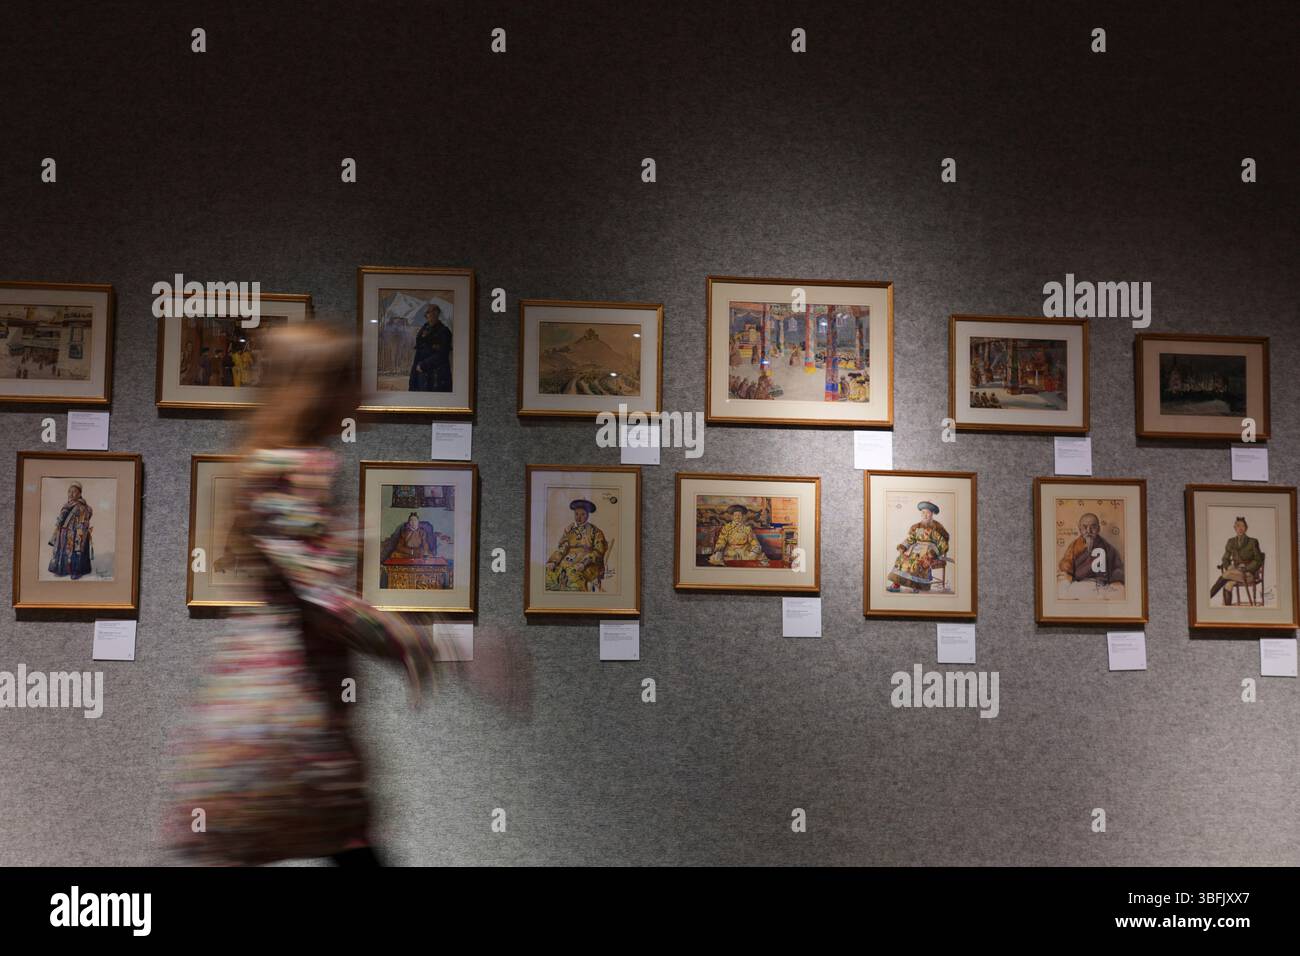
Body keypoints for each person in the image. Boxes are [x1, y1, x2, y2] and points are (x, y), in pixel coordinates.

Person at [166, 324, 441, 867]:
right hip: (285, 713)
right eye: (352, 380)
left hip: (282, 706)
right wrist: (418, 643)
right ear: (321, 388)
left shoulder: (283, 463)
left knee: (342, 842)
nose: (366, 394)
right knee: (348, 843)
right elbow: (322, 599)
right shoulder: (288, 468)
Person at [546, 499, 608, 591]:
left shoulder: (595, 531)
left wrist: (583, 563)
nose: (578, 518)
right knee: (550, 572)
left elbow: (598, 551)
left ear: (588, 515)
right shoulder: (570, 530)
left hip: (589, 564)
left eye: (582, 514)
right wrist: (553, 561)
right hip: (569, 561)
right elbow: (562, 548)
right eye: (576, 514)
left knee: (573, 575)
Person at [886, 501, 949, 591]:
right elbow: (910, 539)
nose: (925, 515)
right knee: (901, 559)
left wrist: (933, 553)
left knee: (917, 563)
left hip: (929, 554)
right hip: (915, 551)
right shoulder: (918, 528)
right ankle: (896, 585)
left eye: (927, 513)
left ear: (932, 514)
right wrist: (903, 546)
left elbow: (943, 545)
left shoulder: (937, 529)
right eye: (923, 513)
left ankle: (916, 586)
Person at [1057, 512, 1124, 587]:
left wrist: (1116, 580)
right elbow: (1065, 565)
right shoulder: (1074, 546)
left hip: (1101, 587)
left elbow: (1117, 568)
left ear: (1098, 529)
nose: (1089, 531)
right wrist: (1069, 576)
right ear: (1080, 529)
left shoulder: (1107, 547)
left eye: (1093, 527)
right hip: (1077, 585)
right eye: (1085, 527)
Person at [1209, 517, 1263, 605]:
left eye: (1242, 526)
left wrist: (1246, 568)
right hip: (1235, 573)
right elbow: (1225, 558)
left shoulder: (1252, 542)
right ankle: (1227, 610)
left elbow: (1258, 560)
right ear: (1234, 528)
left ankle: (1208, 596)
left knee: (1226, 574)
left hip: (1249, 574)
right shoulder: (1231, 542)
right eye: (1238, 526)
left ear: (1246, 528)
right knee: (1228, 585)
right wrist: (1228, 566)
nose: (1240, 528)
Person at [47, 482, 94, 580]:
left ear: (80, 494)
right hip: (64, 532)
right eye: (69, 491)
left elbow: (83, 522)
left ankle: (76, 572)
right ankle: (62, 570)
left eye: (74, 492)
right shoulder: (66, 505)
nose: (71, 494)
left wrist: (78, 533)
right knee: (62, 551)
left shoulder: (82, 507)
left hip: (76, 534)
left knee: (76, 553)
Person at [408, 303, 452, 391]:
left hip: (436, 376)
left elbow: (442, 354)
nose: (425, 315)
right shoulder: (424, 330)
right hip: (420, 375)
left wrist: (424, 365)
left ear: (436, 314)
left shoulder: (444, 331)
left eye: (428, 312)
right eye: (426, 313)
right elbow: (419, 352)